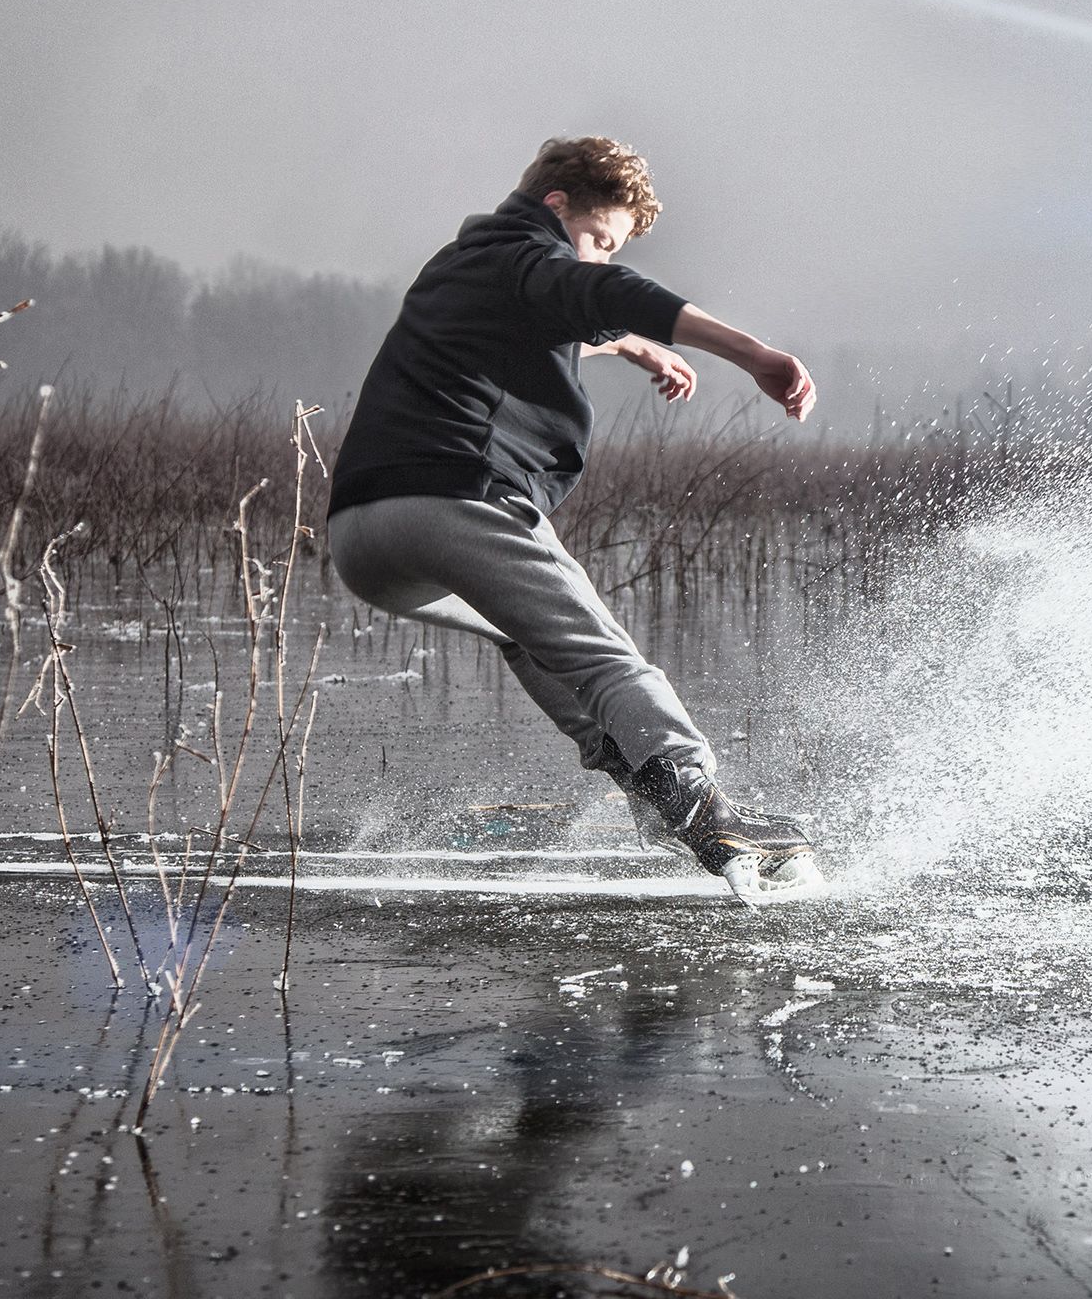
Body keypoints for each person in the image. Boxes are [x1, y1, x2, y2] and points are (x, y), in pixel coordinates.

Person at [325, 137, 826, 902]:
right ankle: (698, 801)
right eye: (598, 239)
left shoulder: (461, 265)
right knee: (603, 654)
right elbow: (601, 291)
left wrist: (627, 348)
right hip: (455, 498)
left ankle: (653, 793)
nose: (594, 260)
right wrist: (751, 353)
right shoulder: (528, 255)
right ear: (556, 206)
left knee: (537, 641)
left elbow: (542, 318)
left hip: (363, 537)